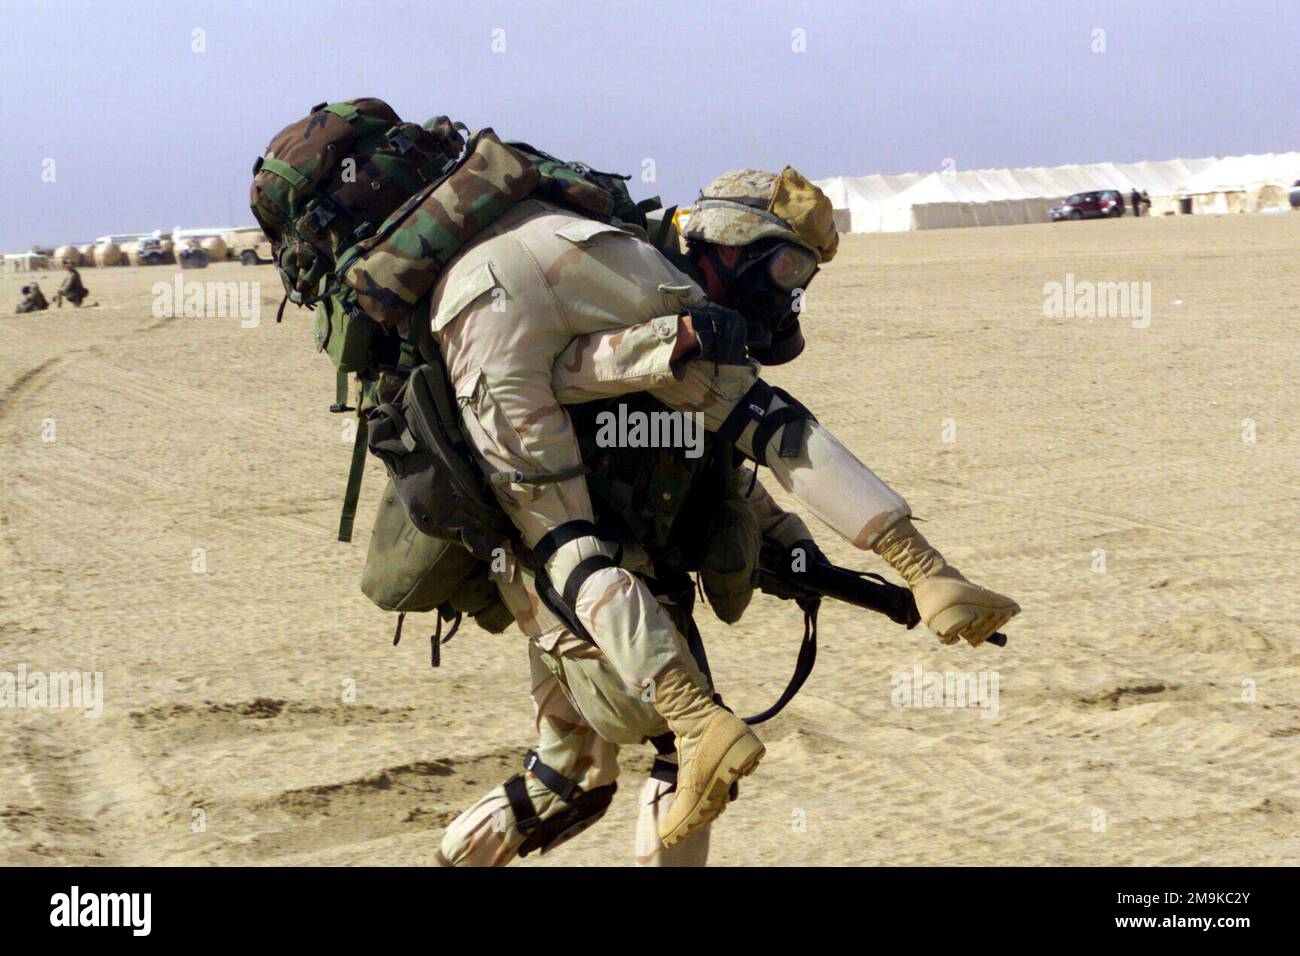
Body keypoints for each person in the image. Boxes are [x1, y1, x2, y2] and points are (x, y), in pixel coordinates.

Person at [428, 166, 1019, 859]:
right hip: (583, 582)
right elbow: (739, 429)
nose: (792, 290)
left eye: (806, 273)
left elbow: (711, 451)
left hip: (595, 590)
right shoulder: (648, 288)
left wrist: (796, 550)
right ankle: (695, 717)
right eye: (788, 266)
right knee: (652, 753)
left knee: (571, 775)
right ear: (732, 247)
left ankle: (914, 578)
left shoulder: (638, 290)